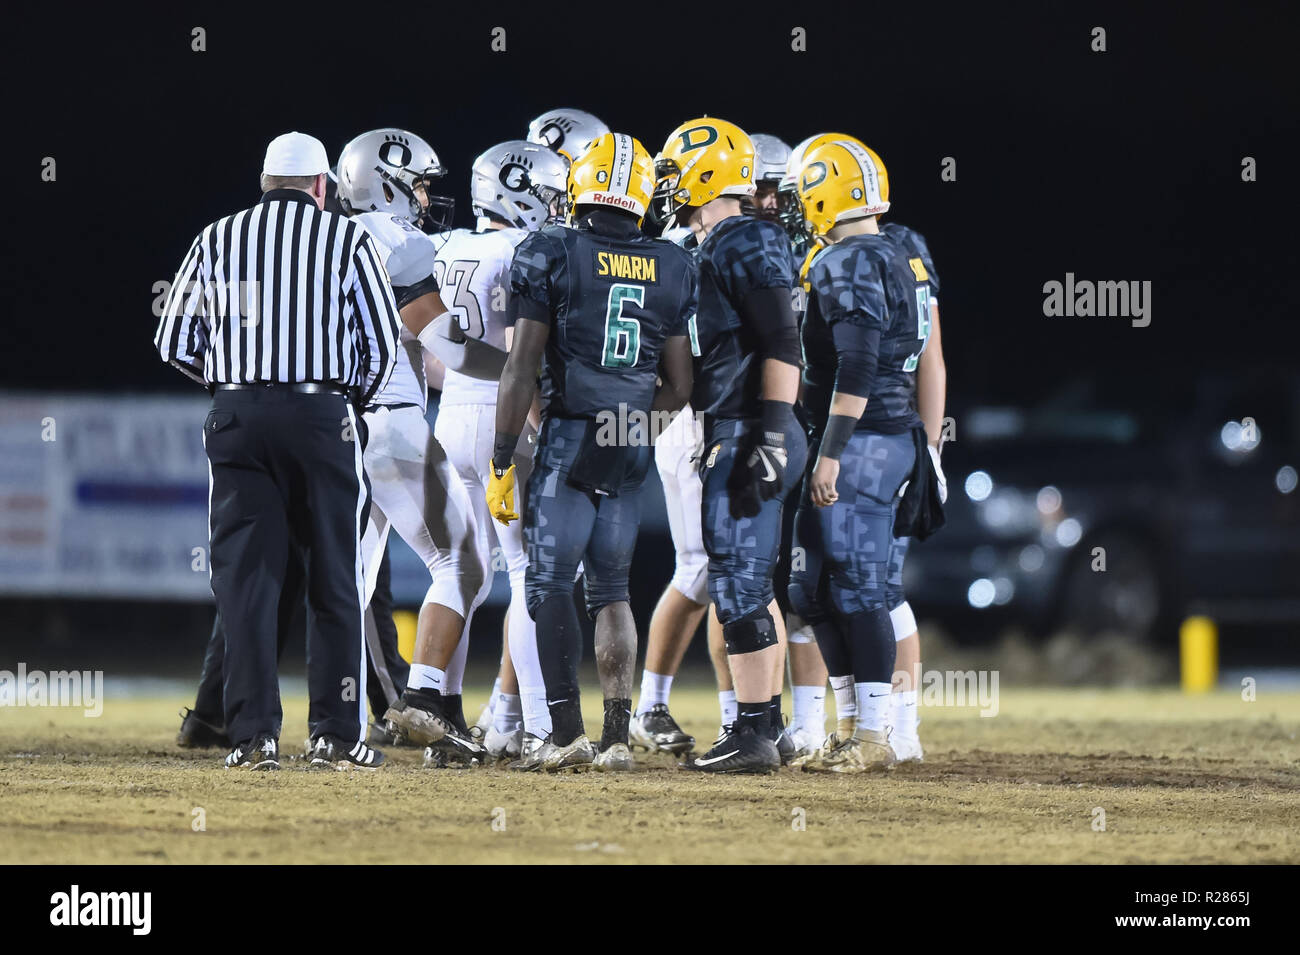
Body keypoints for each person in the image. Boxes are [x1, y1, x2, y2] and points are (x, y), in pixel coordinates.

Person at [154, 131, 401, 770]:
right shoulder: (349, 240)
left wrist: (236, 386)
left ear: (263, 184)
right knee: (335, 578)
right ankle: (336, 736)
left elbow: (173, 339)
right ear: (322, 187)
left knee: (246, 583)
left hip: (238, 416)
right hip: (322, 415)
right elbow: (381, 343)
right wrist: (343, 402)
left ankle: (253, 737)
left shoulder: (216, 237)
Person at [488, 132, 696, 772]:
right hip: (630, 440)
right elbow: (682, 385)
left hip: (572, 430)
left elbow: (521, 367)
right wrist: (631, 428)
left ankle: (564, 731)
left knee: (548, 583)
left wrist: (501, 453)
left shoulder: (552, 247)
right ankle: (614, 737)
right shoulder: (672, 261)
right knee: (612, 589)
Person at [653, 117, 807, 773]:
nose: (666, 184)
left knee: (740, 581)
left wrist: (770, 430)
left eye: (674, 170)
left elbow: (781, 339)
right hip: (737, 423)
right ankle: (762, 720)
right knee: (740, 578)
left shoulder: (744, 237)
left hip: (752, 425)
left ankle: (751, 733)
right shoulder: (716, 240)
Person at [334, 127, 491, 768]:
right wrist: (520, 371)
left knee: (349, 578)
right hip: (389, 421)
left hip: (331, 419)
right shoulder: (399, 240)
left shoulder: (325, 238)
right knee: (463, 564)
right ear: (389, 182)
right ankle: (426, 704)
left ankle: (332, 726)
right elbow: (447, 346)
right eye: (419, 183)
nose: (426, 197)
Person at [785, 137, 940, 772]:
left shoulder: (847, 259)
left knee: (859, 586)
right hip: (881, 434)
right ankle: (852, 725)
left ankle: (874, 734)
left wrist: (830, 453)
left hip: (864, 440)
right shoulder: (900, 252)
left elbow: (858, 362)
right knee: (809, 585)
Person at [429, 139, 569, 763]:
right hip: (501, 416)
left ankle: (443, 716)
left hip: (448, 413)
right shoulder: (523, 250)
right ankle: (535, 722)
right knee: (526, 572)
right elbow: (521, 356)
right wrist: (538, 423)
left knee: (461, 572)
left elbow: (435, 358)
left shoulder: (447, 245)